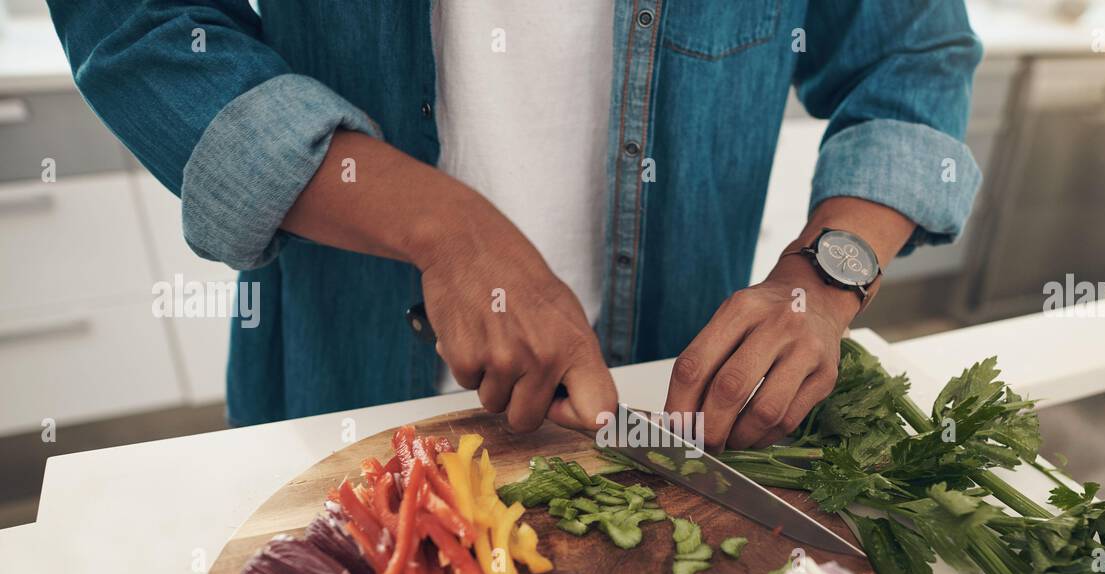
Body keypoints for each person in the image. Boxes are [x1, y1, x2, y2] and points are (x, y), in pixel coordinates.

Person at [49, 1, 981, 448]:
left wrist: (822, 279)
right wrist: (447, 229)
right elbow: (143, 28)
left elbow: (911, 53)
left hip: (665, 408)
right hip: (337, 391)